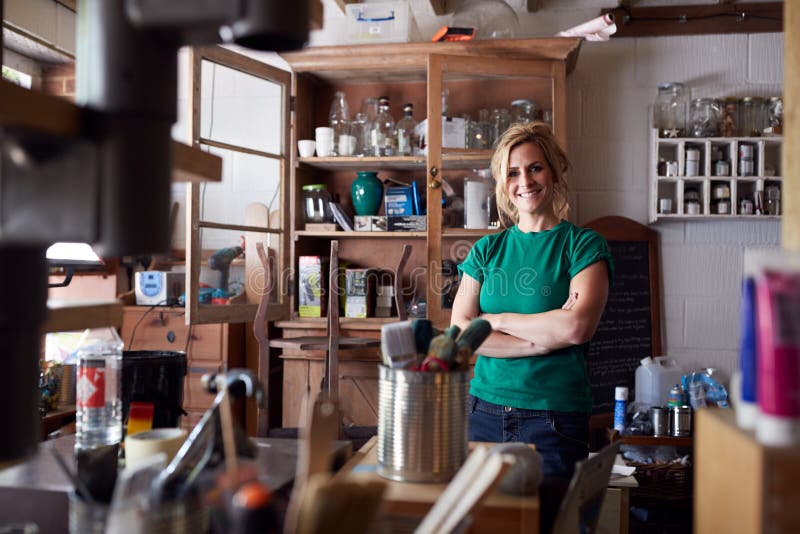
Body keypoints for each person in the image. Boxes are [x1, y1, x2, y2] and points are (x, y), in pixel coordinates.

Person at [451, 121, 614, 483]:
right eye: (513, 173)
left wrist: (494, 319)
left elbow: (575, 327)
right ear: (503, 185)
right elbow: (461, 333)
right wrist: (541, 341)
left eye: (535, 167)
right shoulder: (486, 250)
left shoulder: (583, 246)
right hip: (482, 412)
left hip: (553, 418)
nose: (525, 181)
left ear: (553, 172)